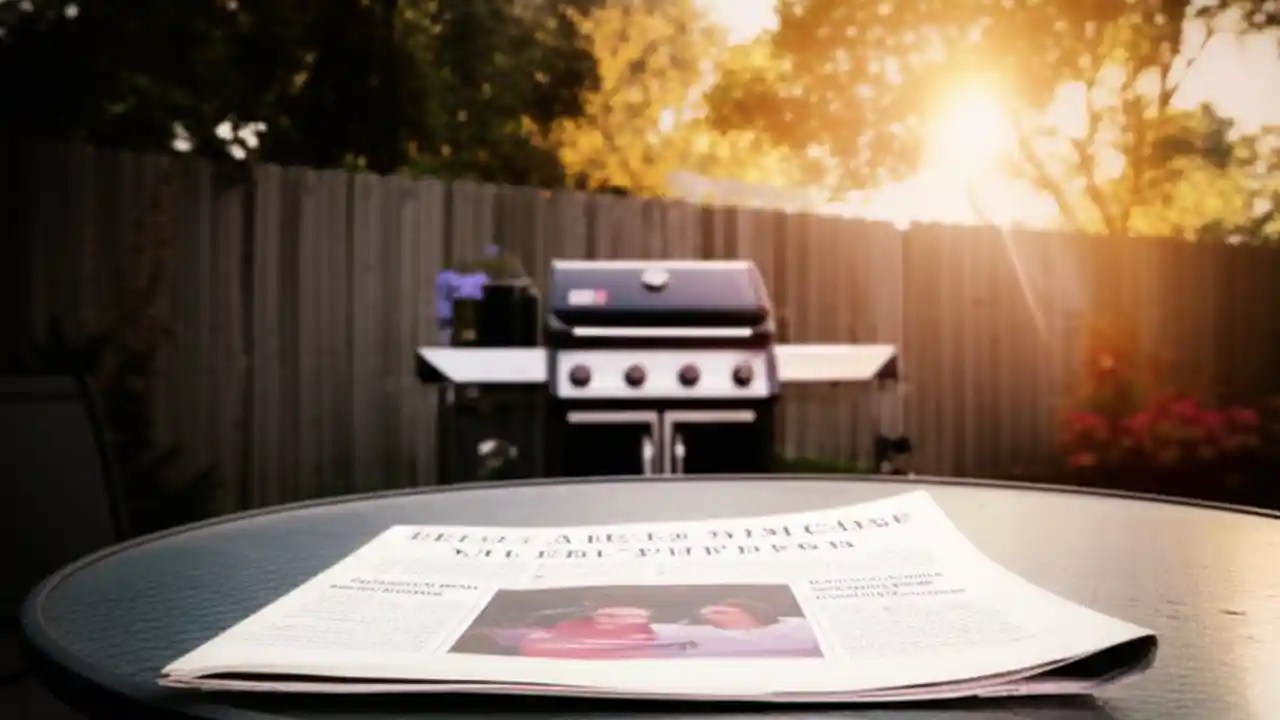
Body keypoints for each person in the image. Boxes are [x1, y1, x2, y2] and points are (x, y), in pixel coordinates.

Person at [653, 598, 822, 658]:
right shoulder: (699, 638)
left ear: (751, 613)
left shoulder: (798, 629)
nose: (708, 617)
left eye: (719, 612)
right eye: (704, 616)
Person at [517, 605, 680, 659]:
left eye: (611, 617)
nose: (601, 619)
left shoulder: (647, 637)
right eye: (602, 615)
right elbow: (532, 645)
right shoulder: (570, 627)